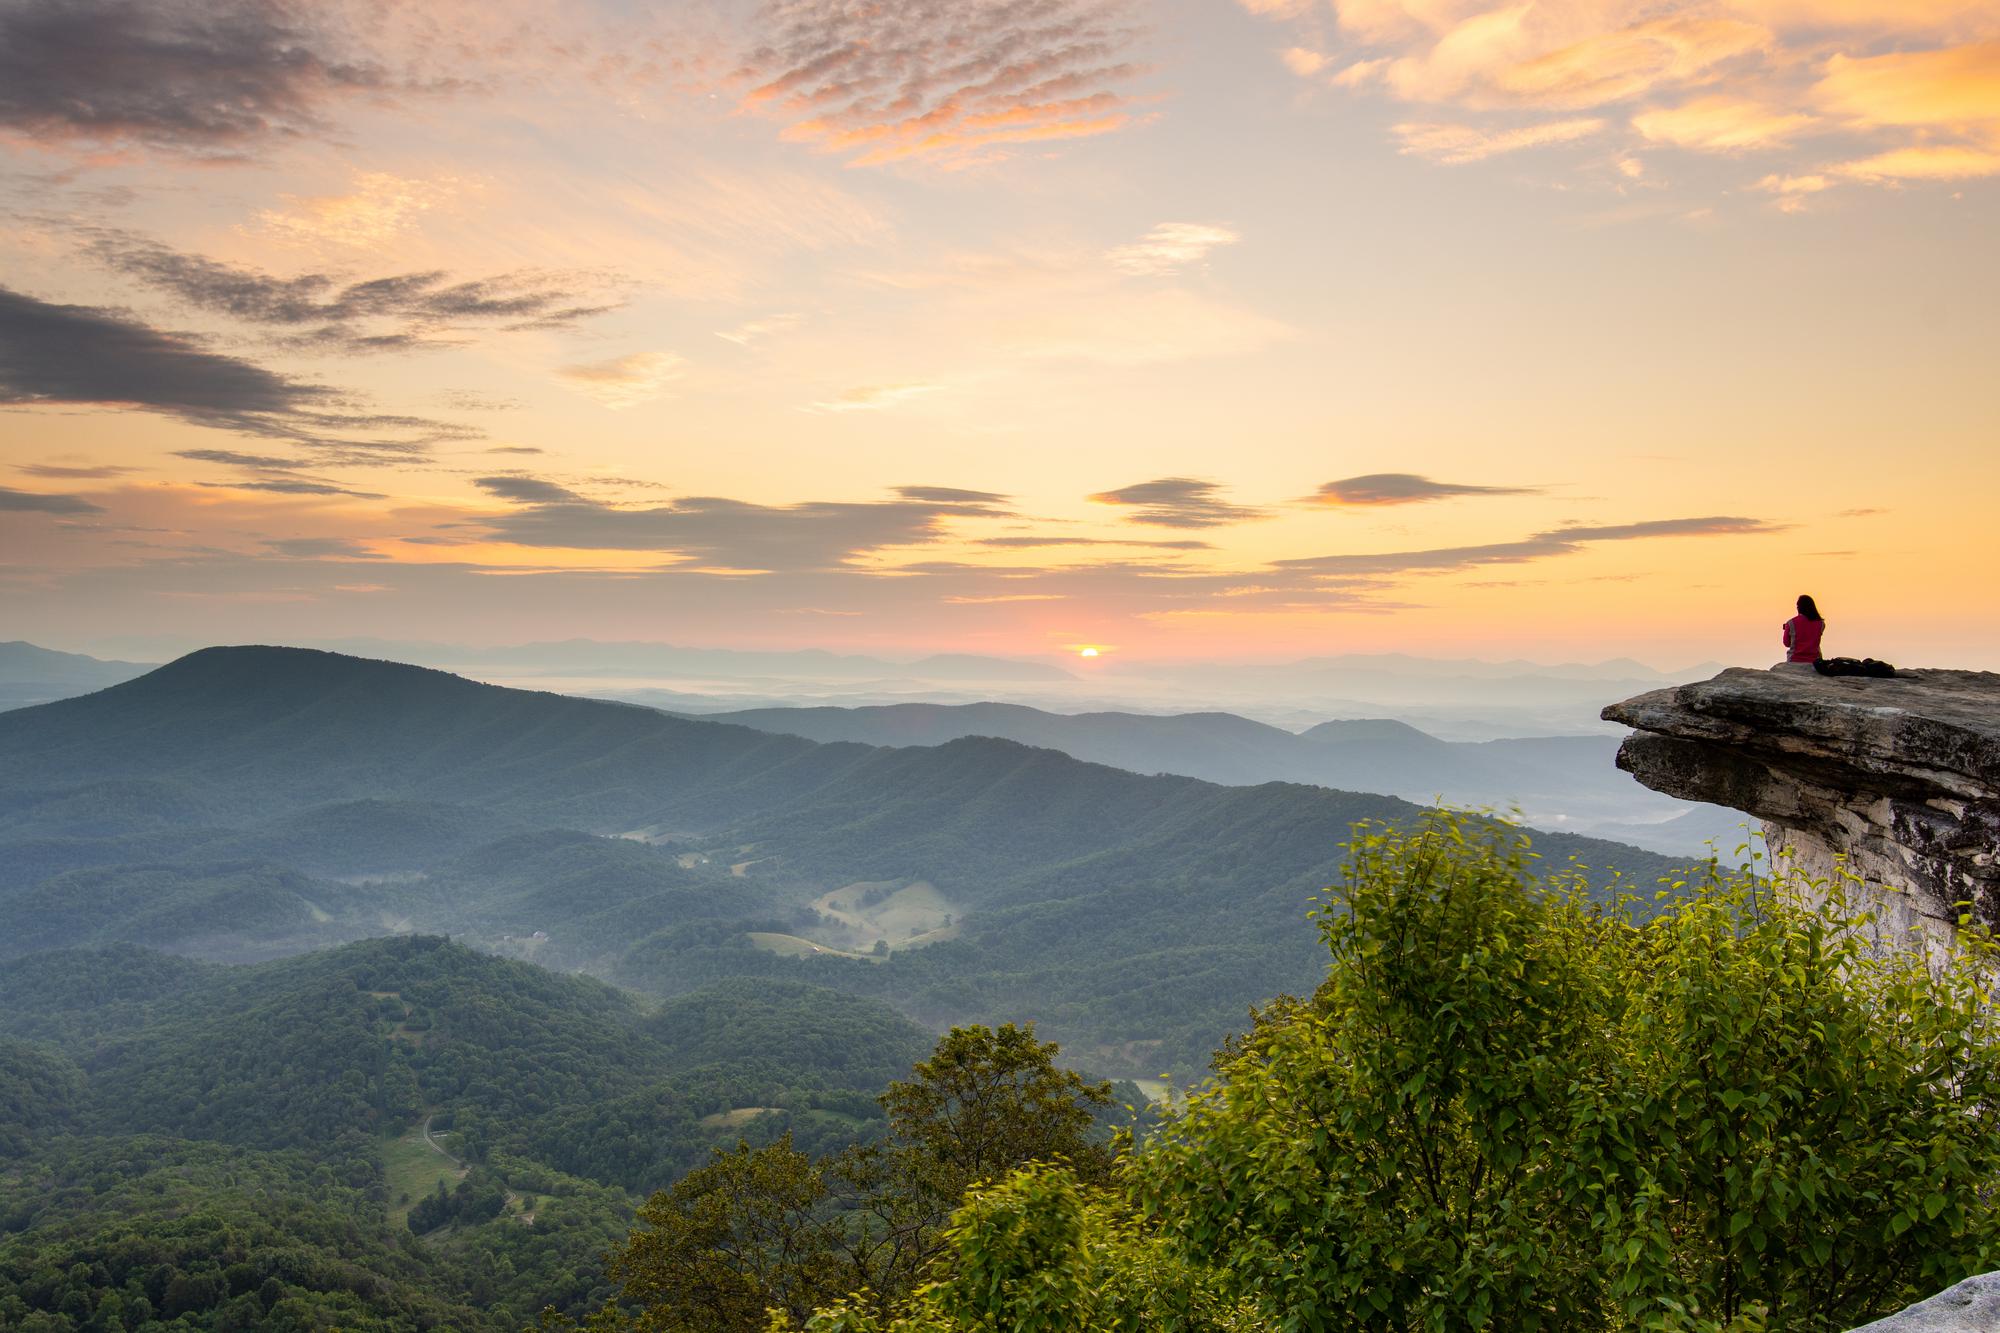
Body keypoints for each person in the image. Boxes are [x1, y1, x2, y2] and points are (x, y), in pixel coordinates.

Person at [1781, 594, 1825, 664]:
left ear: (1799, 607)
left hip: (1795, 660)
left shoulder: (1791, 623)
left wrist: (1786, 629)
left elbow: (1787, 643)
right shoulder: (1821, 623)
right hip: (1815, 661)